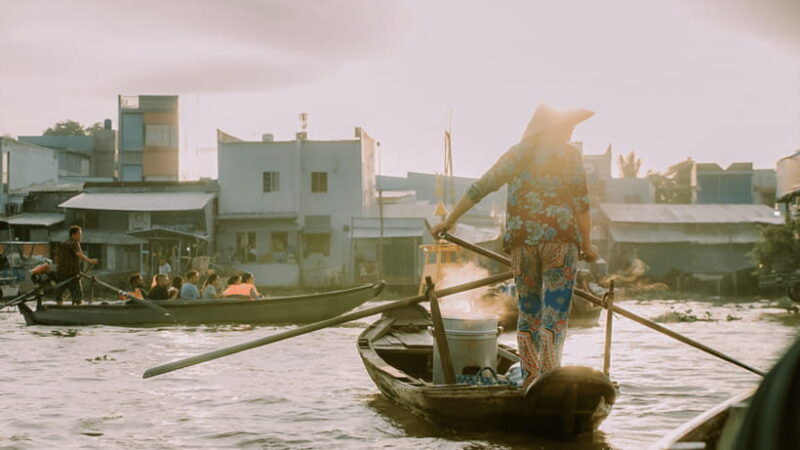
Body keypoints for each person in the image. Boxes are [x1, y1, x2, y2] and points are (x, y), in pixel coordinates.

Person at [431, 104, 598, 389]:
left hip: (522, 243)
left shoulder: (517, 153)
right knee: (554, 313)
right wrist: (587, 244)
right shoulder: (569, 155)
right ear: (554, 128)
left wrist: (449, 221)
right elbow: (581, 204)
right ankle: (550, 377)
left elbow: (479, 188)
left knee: (529, 312)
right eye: (568, 126)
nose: (571, 130)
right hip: (560, 241)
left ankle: (531, 379)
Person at [54, 225, 99, 306]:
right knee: (78, 296)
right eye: (79, 234)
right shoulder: (74, 243)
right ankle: (78, 309)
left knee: (59, 293)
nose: (81, 236)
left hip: (61, 273)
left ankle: (59, 308)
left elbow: (57, 258)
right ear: (73, 235)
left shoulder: (63, 244)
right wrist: (90, 260)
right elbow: (79, 254)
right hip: (72, 275)